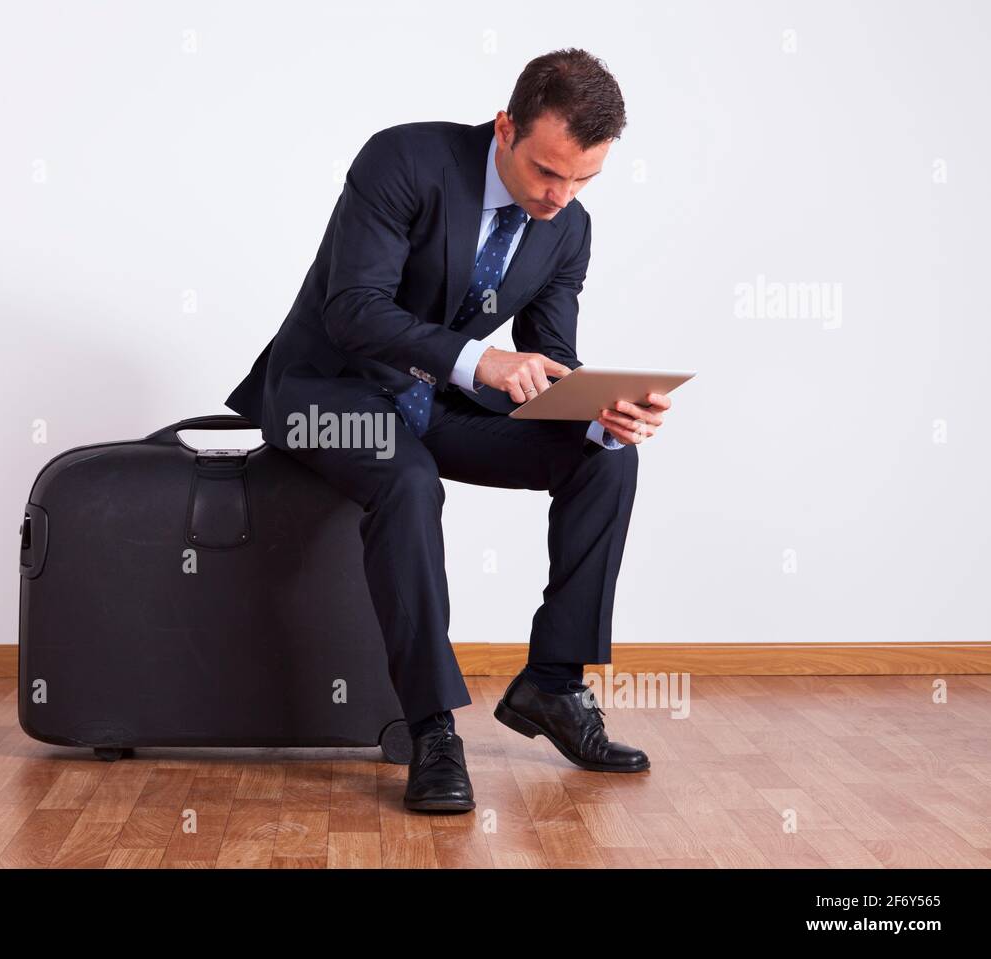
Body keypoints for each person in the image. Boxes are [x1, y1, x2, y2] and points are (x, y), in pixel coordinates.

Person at [225, 49, 670, 812]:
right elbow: (352, 308)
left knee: (606, 458)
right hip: (322, 395)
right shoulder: (404, 158)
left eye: (584, 180)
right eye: (547, 173)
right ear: (506, 127)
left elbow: (550, 357)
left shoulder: (567, 230)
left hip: (430, 404)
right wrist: (479, 360)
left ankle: (554, 685)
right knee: (405, 478)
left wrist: (594, 404)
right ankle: (431, 728)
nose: (562, 196)